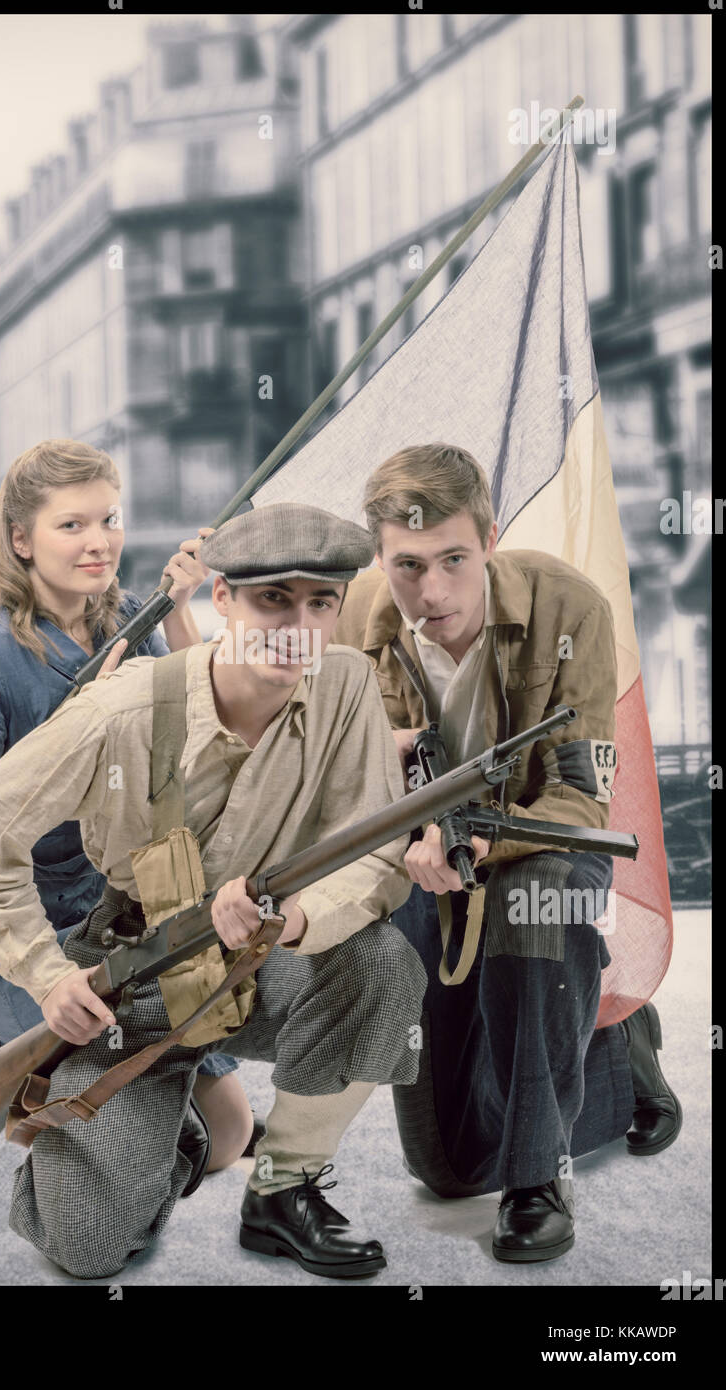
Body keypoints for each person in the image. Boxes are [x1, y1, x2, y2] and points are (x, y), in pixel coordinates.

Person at [0, 502, 427, 1280]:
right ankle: (155, 1139)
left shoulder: (344, 685)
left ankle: (282, 1186)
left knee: (380, 963)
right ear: (223, 599)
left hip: (262, 953)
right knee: (85, 1249)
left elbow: (373, 849)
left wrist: (302, 915)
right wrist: (45, 973)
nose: (296, 626)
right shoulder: (124, 708)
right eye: (273, 598)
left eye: (320, 603)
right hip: (135, 974)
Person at [331, 443, 682, 1263]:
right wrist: (409, 824)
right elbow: (340, 772)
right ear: (381, 559)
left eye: (454, 558)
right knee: (449, 1169)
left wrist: (483, 842)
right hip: (416, 857)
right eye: (407, 565)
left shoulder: (570, 609)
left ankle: (537, 1179)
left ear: (488, 537)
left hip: (539, 841)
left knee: (535, 909)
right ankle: (612, 1047)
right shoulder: (355, 620)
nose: (433, 590)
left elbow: (580, 790)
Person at [0, 438, 256, 1187]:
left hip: (128, 908)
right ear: (20, 540)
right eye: (71, 526)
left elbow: (200, 717)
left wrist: (182, 612)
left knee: (226, 1137)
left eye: (109, 519)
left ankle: (111, 1096)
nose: (99, 542)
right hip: (35, 929)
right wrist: (86, 716)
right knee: (110, 1149)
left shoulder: (129, 618)